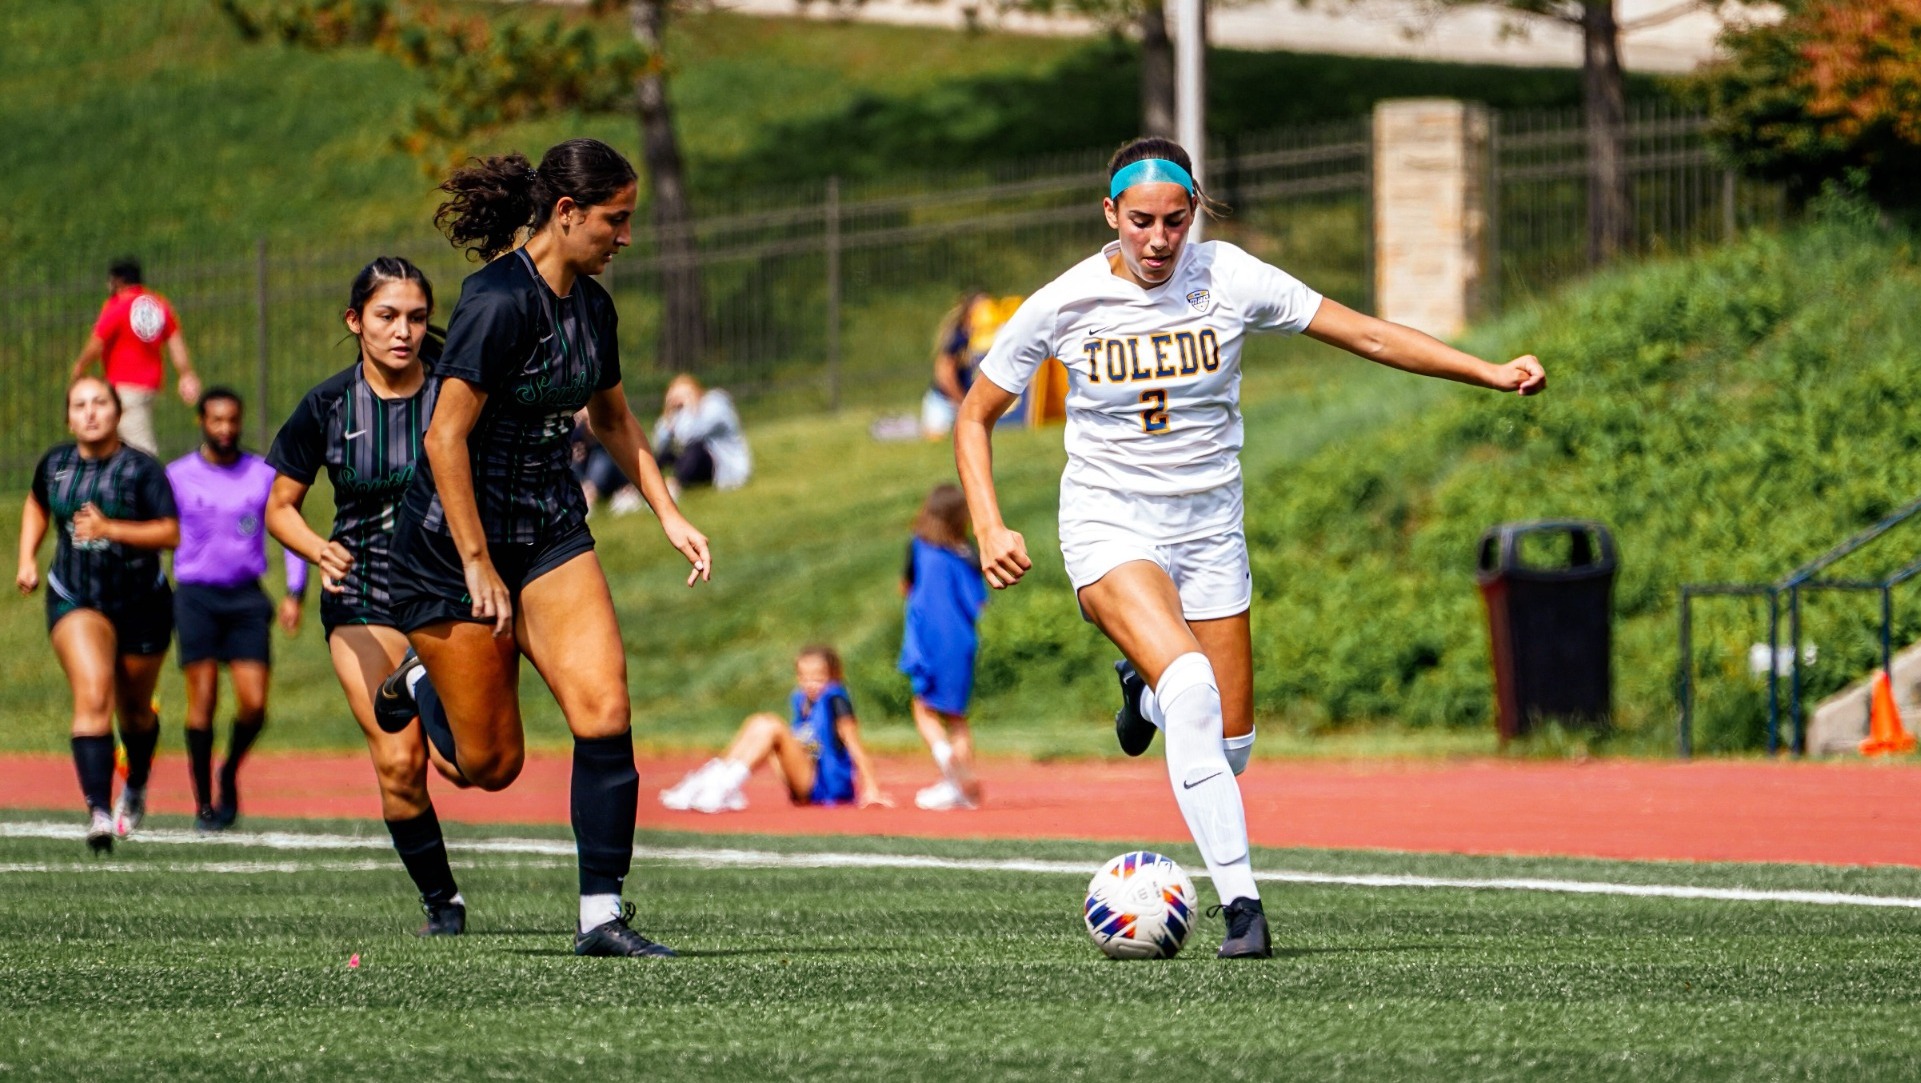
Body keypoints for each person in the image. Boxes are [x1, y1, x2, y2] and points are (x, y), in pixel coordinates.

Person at [953, 137, 1546, 959]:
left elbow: (1367, 335)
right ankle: (1243, 908)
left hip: (1210, 532)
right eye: (1140, 221)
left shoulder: (1228, 276)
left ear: (1194, 210)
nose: (1158, 240)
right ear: (1109, 214)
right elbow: (974, 414)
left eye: (1174, 220)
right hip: (1110, 524)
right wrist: (989, 524)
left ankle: (1143, 696)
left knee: (1227, 748)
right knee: (1192, 686)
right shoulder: (1065, 302)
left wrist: (1487, 371)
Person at [373, 138, 713, 958]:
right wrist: (476, 562)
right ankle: (418, 678)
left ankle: (601, 915)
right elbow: (443, 439)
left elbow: (613, 418)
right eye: (614, 219)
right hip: (450, 549)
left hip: (550, 531)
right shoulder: (496, 302)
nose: (624, 236)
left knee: (605, 709)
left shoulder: (593, 307)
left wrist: (667, 512)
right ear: (566, 213)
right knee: (489, 766)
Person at [265, 256, 469, 936]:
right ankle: (442, 901)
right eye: (387, 316)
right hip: (362, 592)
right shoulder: (326, 405)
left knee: (464, 764)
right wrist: (315, 548)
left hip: (447, 588)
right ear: (356, 321)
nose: (403, 331)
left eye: (416, 317)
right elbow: (279, 507)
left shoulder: (456, 394)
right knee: (400, 760)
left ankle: (416, 678)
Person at [16, 377, 179, 853]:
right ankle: (99, 812)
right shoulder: (55, 465)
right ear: (69, 417)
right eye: (79, 405)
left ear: (117, 412)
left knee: (136, 711)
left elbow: (171, 534)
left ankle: (137, 784)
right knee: (93, 695)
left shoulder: (142, 470)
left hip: (142, 602)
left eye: (100, 403)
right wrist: (26, 558)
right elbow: (36, 503)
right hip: (76, 597)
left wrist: (111, 528)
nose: (90, 412)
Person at [167, 388, 307, 832]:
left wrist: (295, 591)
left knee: (254, 704)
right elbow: (158, 529)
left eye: (232, 420)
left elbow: (289, 528)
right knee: (203, 701)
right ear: (201, 422)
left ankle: (228, 771)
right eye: (216, 420)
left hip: (246, 598)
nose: (225, 428)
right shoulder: (177, 476)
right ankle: (204, 803)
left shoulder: (261, 474)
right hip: (196, 597)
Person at [659, 645, 891, 814]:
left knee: (774, 726)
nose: (811, 683)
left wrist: (872, 788)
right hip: (804, 778)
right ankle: (711, 781)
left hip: (826, 786)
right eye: (805, 677)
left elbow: (855, 746)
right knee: (758, 721)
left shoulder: (836, 701)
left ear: (833, 676)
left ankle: (725, 788)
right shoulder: (801, 701)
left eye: (818, 678)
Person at [898, 483, 988, 811]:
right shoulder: (967, 553)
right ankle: (961, 789)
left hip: (929, 637)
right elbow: (979, 602)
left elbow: (906, 587)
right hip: (962, 638)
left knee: (923, 707)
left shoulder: (919, 545)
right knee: (956, 716)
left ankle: (948, 764)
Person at [71, 258, 202, 457]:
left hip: (124, 386)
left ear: (118, 281)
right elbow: (175, 341)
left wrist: (81, 365)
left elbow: (97, 342)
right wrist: (186, 373)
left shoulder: (118, 305)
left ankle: (152, 476)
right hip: (149, 385)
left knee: (141, 450)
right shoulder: (158, 304)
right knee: (116, 446)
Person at [652, 374, 751, 495]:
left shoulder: (715, 404)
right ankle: (638, 487)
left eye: (684, 394)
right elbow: (659, 444)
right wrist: (668, 414)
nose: (680, 400)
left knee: (696, 448)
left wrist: (689, 407)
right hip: (696, 464)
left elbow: (689, 435)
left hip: (722, 467)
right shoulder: (679, 413)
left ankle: (674, 485)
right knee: (663, 455)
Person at [920, 290, 988, 439]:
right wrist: (963, 403)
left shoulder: (988, 338)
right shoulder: (958, 338)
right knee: (936, 440)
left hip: (967, 402)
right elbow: (944, 376)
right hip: (945, 403)